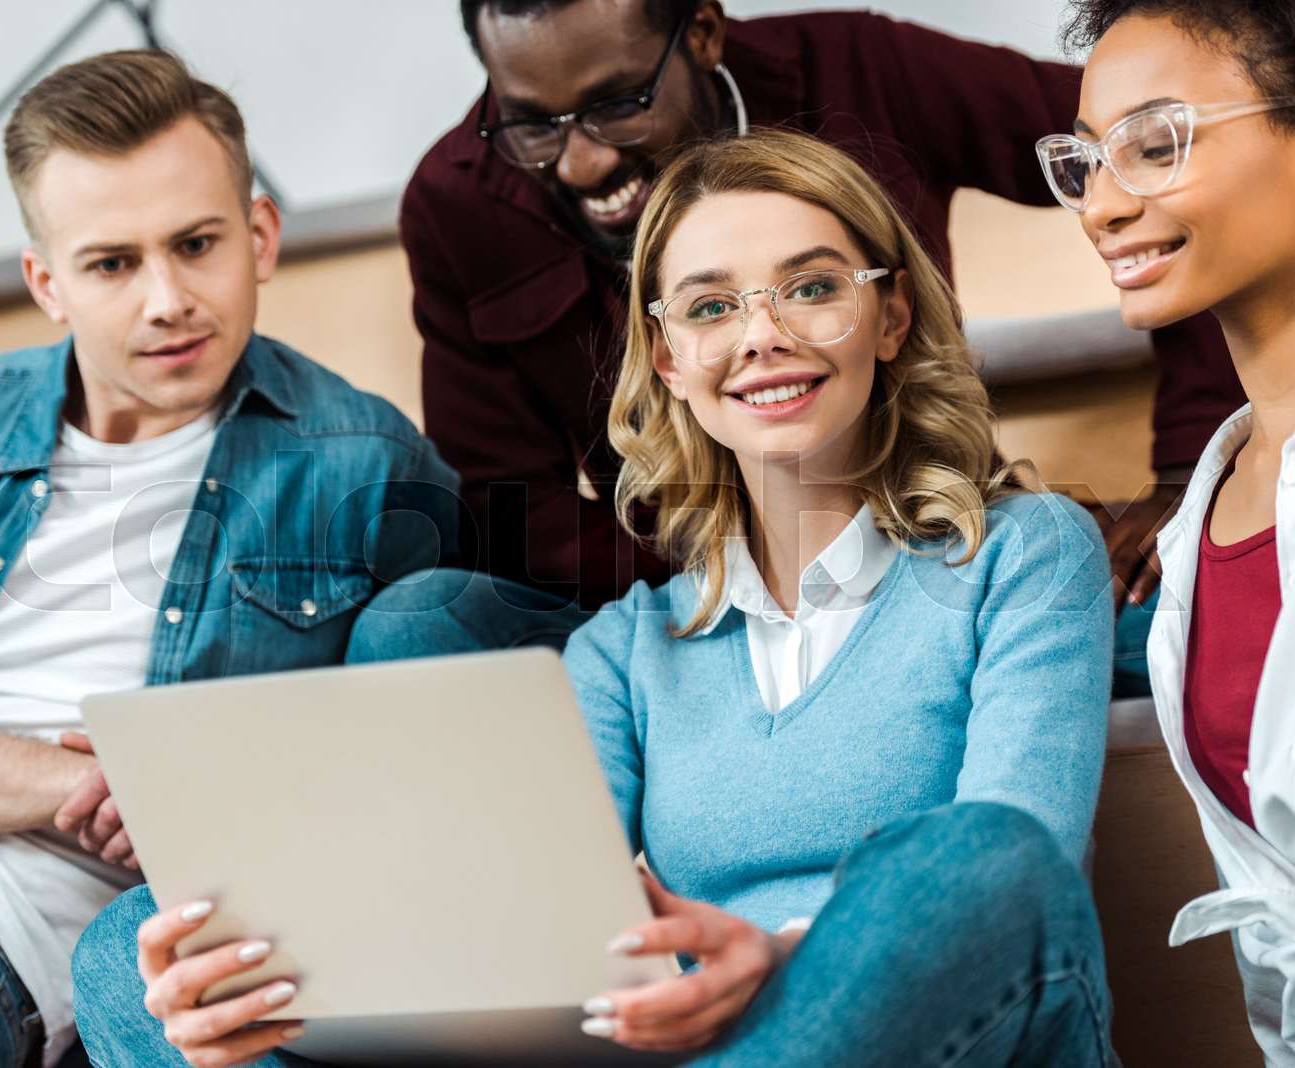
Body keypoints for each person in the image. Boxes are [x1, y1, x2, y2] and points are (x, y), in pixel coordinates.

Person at [71, 128, 1116, 1068]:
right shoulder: (626, 651)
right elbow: (534, 946)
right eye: (710, 306)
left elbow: (1019, 870)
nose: (760, 335)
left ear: (889, 316)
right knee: (138, 950)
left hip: (927, 1037)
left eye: (809, 288)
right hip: (675, 1053)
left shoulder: (1021, 557)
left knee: (969, 856)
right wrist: (265, 999)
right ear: (665, 360)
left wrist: (779, 957)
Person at [0, 50, 457, 1067]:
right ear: (46, 283)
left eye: (197, 244)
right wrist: (111, 777)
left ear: (260, 236)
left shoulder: (365, 465)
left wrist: (210, 797)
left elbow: (430, 748)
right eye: (112, 263)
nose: (168, 300)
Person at [381, 0, 1244, 655]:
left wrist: (1185, 475)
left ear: (705, 32)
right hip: (679, 596)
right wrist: (738, 589)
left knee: (1188, 624)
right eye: (531, 122)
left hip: (933, 554)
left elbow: (1154, 156)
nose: (581, 160)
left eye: (619, 104)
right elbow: (514, 512)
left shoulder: (868, 70)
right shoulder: (457, 203)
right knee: (421, 624)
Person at [1048, 2, 1295, 1063]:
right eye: (1083, 162)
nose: (1103, 208)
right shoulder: (1201, 507)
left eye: (1155, 146)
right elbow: (1283, 908)